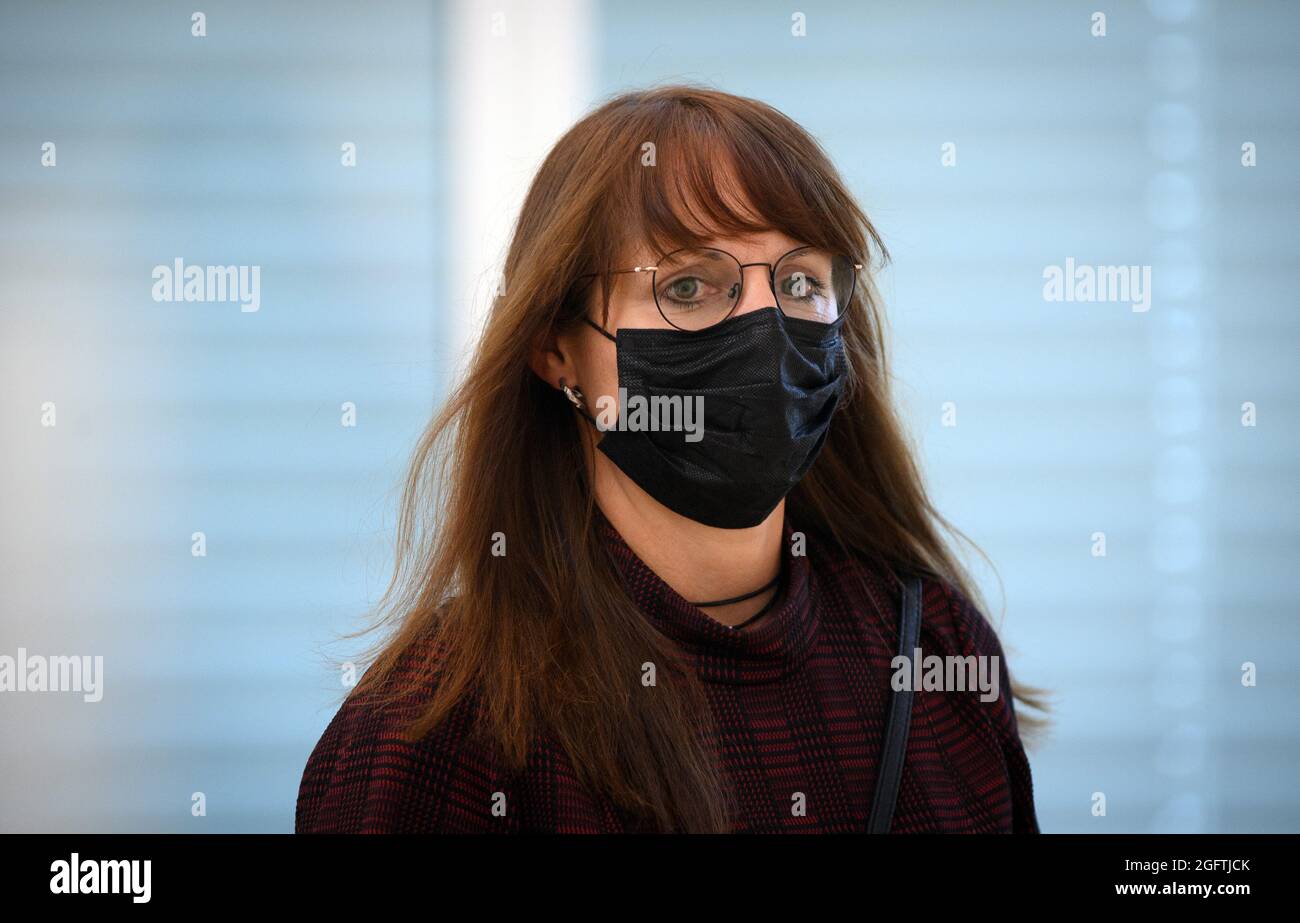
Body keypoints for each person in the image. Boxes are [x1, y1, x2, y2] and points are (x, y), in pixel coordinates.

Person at [296, 84, 1047, 834]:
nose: (764, 327)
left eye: (800, 283)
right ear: (556, 348)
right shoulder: (437, 733)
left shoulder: (937, 653)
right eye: (689, 285)